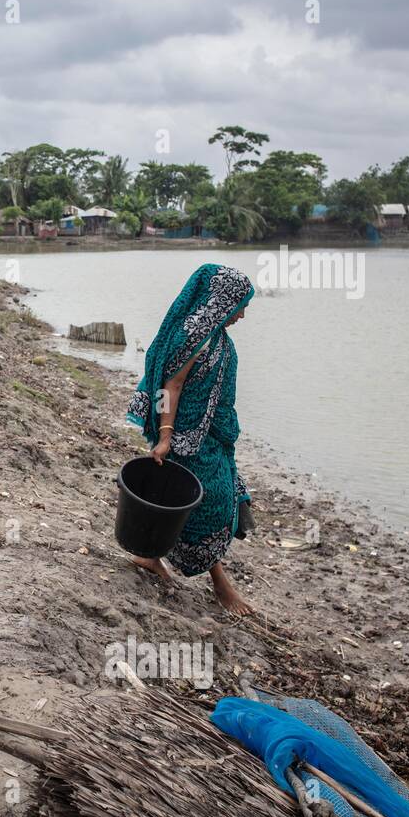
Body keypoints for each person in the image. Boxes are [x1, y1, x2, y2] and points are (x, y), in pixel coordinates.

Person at [126, 264, 256, 616]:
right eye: (240, 305)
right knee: (208, 502)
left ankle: (150, 557)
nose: (242, 314)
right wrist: (165, 436)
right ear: (221, 302)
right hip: (187, 438)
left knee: (199, 498)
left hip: (213, 438)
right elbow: (172, 386)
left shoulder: (217, 337)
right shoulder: (194, 338)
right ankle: (220, 585)